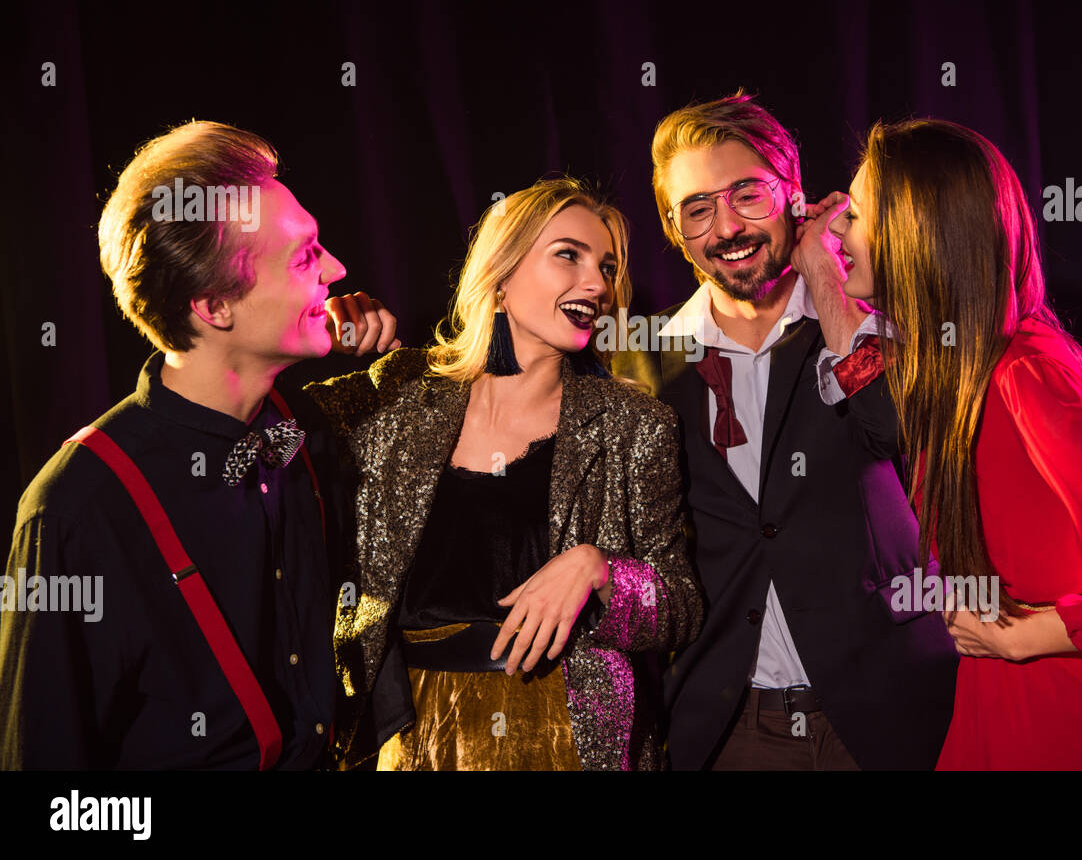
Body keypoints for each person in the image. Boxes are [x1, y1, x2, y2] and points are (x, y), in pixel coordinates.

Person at [824, 117, 1082, 768]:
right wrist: (819, 265)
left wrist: (1030, 633)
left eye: (856, 214)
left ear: (917, 232)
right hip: (998, 706)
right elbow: (844, 380)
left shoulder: (1022, 375)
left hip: (1067, 722)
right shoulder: (949, 364)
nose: (838, 228)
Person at [0, 121, 399, 769]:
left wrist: (391, 362)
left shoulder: (306, 432)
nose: (337, 268)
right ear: (214, 305)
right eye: (304, 256)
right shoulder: (76, 509)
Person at [305, 177, 703, 771]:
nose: (596, 283)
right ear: (501, 272)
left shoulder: (635, 422)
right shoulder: (396, 394)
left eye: (608, 266)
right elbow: (258, 448)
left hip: (571, 742)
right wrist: (314, 335)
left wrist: (602, 572)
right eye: (568, 255)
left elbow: (680, 607)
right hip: (414, 740)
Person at [611, 92, 957, 770]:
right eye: (698, 208)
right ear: (672, 226)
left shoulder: (871, 326)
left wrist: (824, 281)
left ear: (794, 194)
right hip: (733, 728)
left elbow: (898, 432)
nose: (728, 226)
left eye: (748, 195)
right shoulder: (646, 362)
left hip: (889, 715)